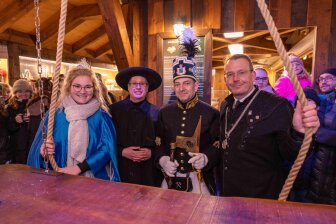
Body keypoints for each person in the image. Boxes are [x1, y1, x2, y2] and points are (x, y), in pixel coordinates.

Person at [218, 54, 319, 199]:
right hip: (229, 194)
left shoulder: (277, 105)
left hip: (262, 196)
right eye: (230, 74)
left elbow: (292, 155)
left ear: (253, 76)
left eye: (241, 73)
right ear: (225, 79)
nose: (235, 79)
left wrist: (301, 134)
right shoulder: (225, 105)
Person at [27, 61, 120, 181]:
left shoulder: (102, 116)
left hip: (93, 180)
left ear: (94, 89)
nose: (82, 91)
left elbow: (107, 148)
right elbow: (40, 147)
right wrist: (43, 152)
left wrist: (80, 167)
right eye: (77, 86)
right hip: (59, 178)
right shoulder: (55, 114)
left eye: (88, 87)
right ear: (68, 87)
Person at [156, 28, 220, 195]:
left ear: (196, 86)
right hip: (170, 179)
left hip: (199, 180)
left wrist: (206, 157)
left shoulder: (211, 113)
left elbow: (219, 144)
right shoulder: (164, 113)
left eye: (187, 83)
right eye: (177, 84)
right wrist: (162, 160)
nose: (181, 88)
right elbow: (158, 142)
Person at [109, 66, 162, 186]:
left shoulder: (157, 113)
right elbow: (105, 141)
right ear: (128, 86)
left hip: (148, 173)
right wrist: (121, 151)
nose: (138, 87)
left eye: (142, 84)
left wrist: (151, 152)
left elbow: (163, 142)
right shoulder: (113, 111)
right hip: (121, 170)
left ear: (148, 87)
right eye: (134, 83)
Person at [305, 68, 336, 204]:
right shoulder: (325, 102)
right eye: (321, 79)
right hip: (319, 164)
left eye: (328, 78)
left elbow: (316, 130)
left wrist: (319, 133)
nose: (323, 82)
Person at [6, 79, 33, 164]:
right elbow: (7, 129)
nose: (24, 94)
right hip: (17, 147)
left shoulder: (35, 105)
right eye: (20, 91)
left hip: (32, 144)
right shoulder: (9, 108)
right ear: (15, 93)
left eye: (27, 91)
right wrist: (15, 121)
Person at [0, 83, 11, 164]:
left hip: (7, 144)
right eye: (3, 92)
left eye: (8, 92)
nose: (6, 94)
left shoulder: (11, 105)